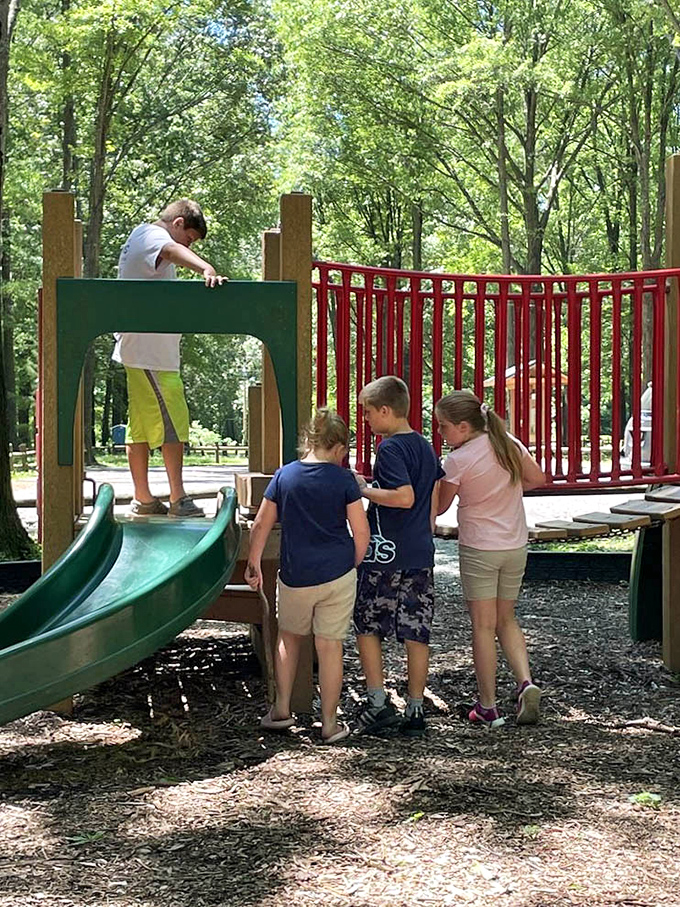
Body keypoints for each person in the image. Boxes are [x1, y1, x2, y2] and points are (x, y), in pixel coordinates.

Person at [245, 409, 370, 744]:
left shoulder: (284, 476)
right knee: (330, 647)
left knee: (289, 637)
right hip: (337, 573)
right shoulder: (344, 480)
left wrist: (254, 563)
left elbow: (261, 524)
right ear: (340, 447)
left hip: (296, 573)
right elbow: (361, 531)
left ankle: (282, 709)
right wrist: (353, 564)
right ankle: (329, 724)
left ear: (308, 442)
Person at [435, 390, 546, 727]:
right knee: (506, 619)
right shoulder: (507, 442)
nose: (439, 433)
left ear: (464, 427)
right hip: (515, 545)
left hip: (481, 547)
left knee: (482, 626)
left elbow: (440, 506)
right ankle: (525, 682)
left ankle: (487, 705)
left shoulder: (458, 460)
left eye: (443, 426)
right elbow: (537, 478)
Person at [113, 198, 226, 518]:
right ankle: (178, 498)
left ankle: (144, 498)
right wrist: (205, 267)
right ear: (177, 224)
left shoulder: (141, 236)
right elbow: (170, 250)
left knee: (141, 428)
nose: (187, 244)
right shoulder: (150, 235)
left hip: (144, 350)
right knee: (173, 422)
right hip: (152, 355)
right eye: (189, 237)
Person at [353, 376, 445, 737]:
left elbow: (403, 496)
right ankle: (416, 706)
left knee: (367, 625)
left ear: (386, 411)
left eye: (369, 412)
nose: (366, 420)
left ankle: (377, 703)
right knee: (416, 630)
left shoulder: (390, 448)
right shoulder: (424, 444)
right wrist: (426, 527)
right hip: (420, 552)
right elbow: (432, 492)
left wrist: (363, 489)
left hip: (386, 555)